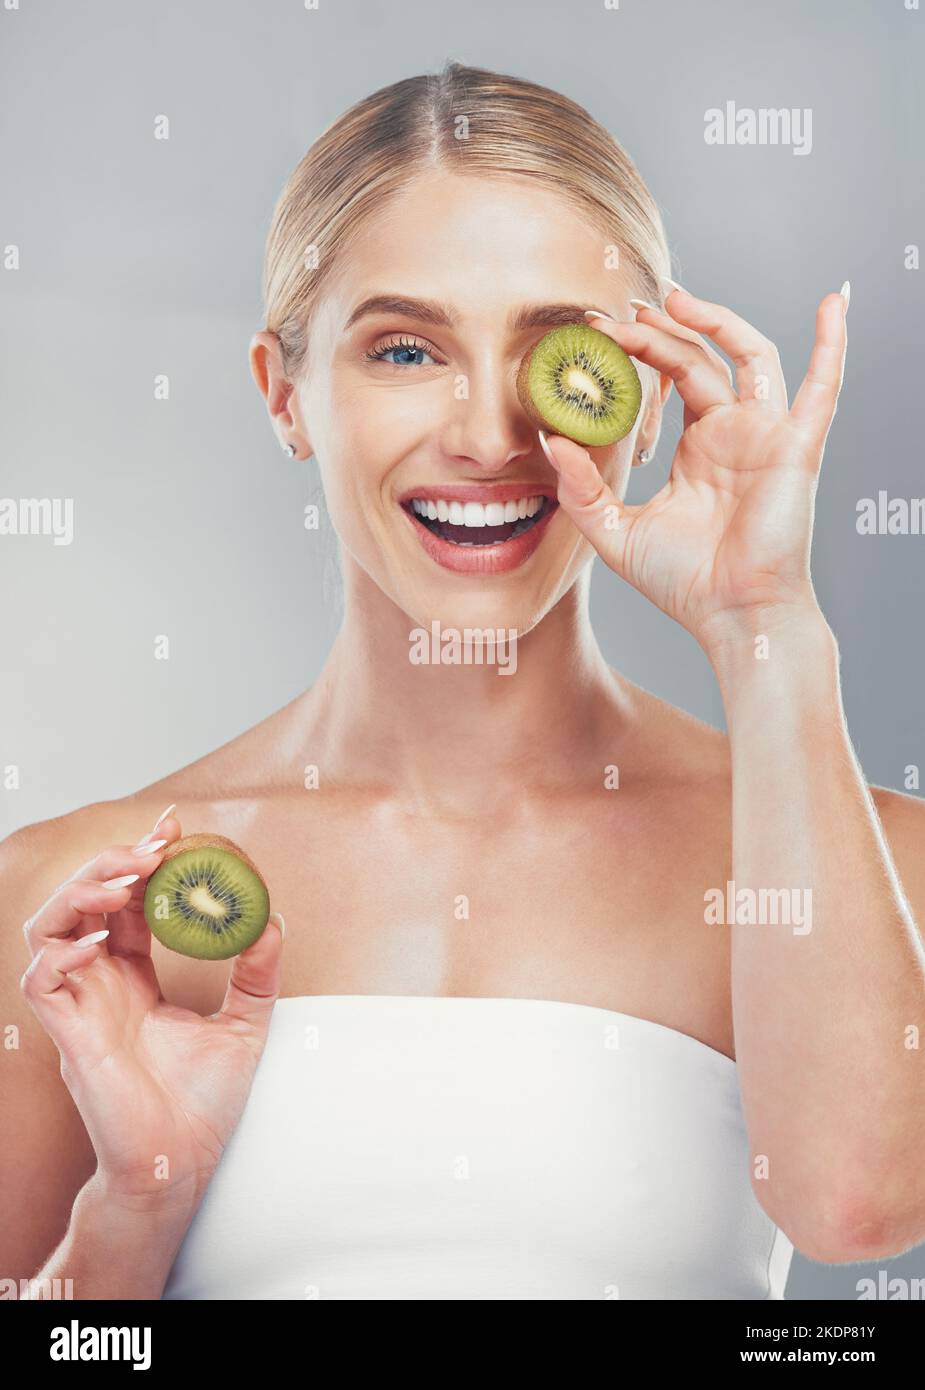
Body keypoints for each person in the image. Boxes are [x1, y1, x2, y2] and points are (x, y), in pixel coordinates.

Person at [3, 61, 924, 1301]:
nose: (490, 435)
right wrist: (135, 1209)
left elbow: (858, 1203)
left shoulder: (858, 865)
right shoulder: (73, 904)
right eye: (403, 349)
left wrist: (769, 629)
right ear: (286, 396)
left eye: (558, 357)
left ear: (642, 404)